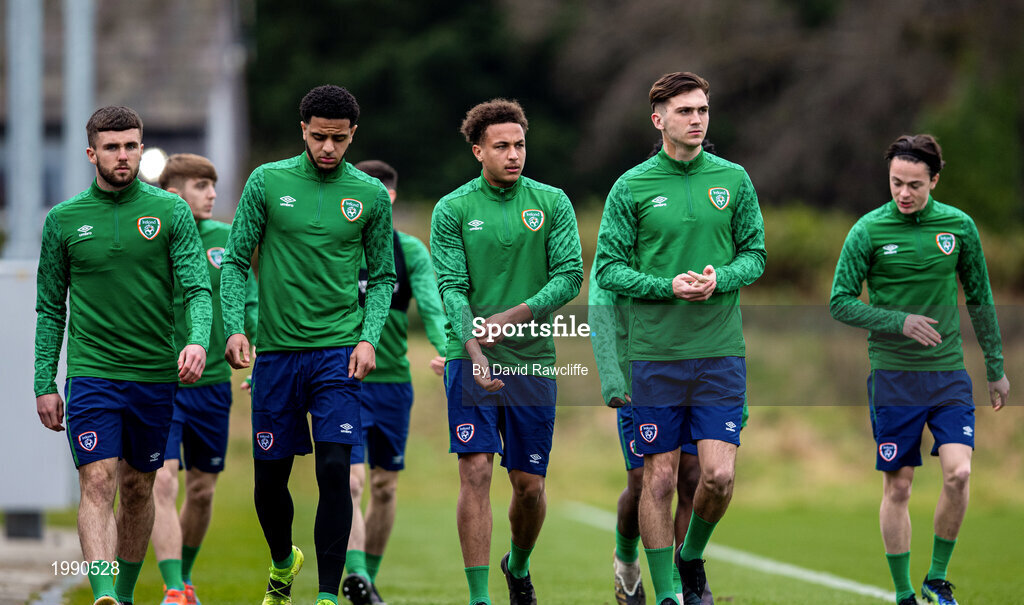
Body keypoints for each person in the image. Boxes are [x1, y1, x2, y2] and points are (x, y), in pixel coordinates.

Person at [220, 85, 396, 605]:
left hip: (337, 353)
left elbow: (383, 277)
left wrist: (369, 338)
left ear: (352, 135)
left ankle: (325, 595)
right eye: (319, 137)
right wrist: (234, 326)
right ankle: (282, 563)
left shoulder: (367, 195)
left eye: (338, 139)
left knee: (336, 468)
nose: (328, 148)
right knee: (271, 478)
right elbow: (234, 261)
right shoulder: (267, 182)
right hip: (276, 354)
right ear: (303, 130)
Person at [594, 72, 766, 605]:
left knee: (716, 477)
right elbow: (608, 272)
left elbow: (755, 256)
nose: (697, 119)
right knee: (659, 479)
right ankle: (667, 594)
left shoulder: (734, 179)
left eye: (703, 110)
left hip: (718, 354)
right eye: (686, 110)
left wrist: (721, 279)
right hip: (655, 356)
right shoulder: (631, 186)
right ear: (659, 118)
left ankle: (690, 559)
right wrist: (663, 286)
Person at [34, 106, 212, 605]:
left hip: (154, 375)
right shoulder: (63, 221)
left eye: (131, 145)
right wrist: (44, 381)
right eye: (112, 147)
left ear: (141, 149)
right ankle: (104, 595)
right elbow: (50, 309)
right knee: (97, 479)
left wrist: (197, 339)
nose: (123, 155)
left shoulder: (171, 212)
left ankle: (127, 596)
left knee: (138, 488)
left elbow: (198, 289)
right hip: (92, 375)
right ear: (92, 153)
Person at [830, 134, 1010, 605]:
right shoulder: (867, 231)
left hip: (948, 374)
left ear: (934, 180)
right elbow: (839, 302)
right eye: (895, 183)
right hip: (893, 377)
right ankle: (905, 592)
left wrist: (995, 366)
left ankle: (937, 577)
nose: (904, 194)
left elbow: (980, 298)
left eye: (914, 185)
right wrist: (899, 321)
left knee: (959, 474)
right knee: (900, 486)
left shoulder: (959, 228)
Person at [430, 98, 583, 605]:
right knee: (475, 471)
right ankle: (479, 599)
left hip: (532, 360)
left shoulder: (553, 202)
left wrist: (512, 318)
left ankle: (518, 566)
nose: (514, 154)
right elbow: (451, 287)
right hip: (467, 357)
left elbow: (569, 277)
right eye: (502, 146)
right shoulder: (452, 208)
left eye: (519, 145)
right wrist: (473, 350)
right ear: (478, 151)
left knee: (529, 486)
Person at [591, 138, 724, 605]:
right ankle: (627, 557)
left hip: (703, 364)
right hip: (640, 370)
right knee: (646, 481)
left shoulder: (712, 207)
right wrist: (612, 377)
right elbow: (602, 305)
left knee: (694, 478)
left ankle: (689, 583)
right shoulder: (629, 213)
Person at [150, 154, 257, 605]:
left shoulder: (227, 239)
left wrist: (253, 339)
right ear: (174, 193)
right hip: (161, 384)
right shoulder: (152, 237)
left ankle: (186, 575)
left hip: (213, 384)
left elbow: (248, 297)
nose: (212, 194)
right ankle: (173, 588)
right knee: (163, 480)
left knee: (201, 488)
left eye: (213, 185)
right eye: (201, 185)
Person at [340, 160, 447, 605]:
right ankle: (358, 574)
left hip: (394, 386)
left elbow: (433, 304)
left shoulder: (411, 252)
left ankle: (368, 583)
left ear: (393, 198)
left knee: (384, 487)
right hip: (344, 382)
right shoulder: (337, 248)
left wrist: (447, 348)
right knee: (352, 482)